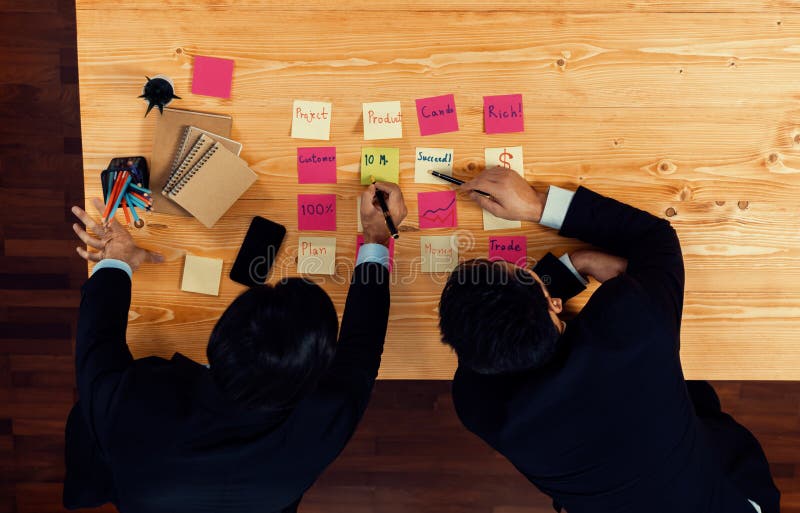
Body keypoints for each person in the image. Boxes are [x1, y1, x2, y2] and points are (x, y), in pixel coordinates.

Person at [438, 166, 780, 513]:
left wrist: (572, 268)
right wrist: (535, 206)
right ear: (554, 303)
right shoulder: (634, 328)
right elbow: (656, 238)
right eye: (522, 269)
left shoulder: (478, 405)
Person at [63, 183, 407, 512]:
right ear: (313, 372)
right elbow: (363, 342)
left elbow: (97, 338)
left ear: (217, 339)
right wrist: (377, 236)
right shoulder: (326, 420)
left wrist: (118, 258)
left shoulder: (125, 405)